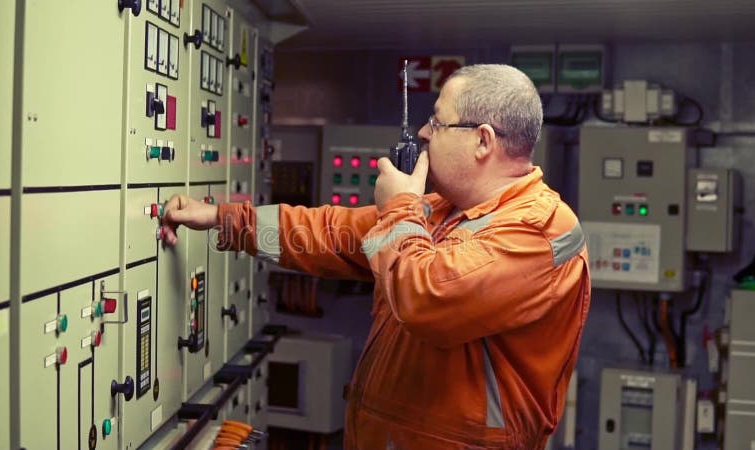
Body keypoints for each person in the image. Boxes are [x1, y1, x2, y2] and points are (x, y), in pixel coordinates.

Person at [161, 64, 590, 449]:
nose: (423, 133)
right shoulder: (446, 211)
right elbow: (330, 234)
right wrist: (224, 219)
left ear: (483, 140)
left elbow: (426, 299)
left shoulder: (540, 231)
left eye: (437, 122)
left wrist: (399, 208)